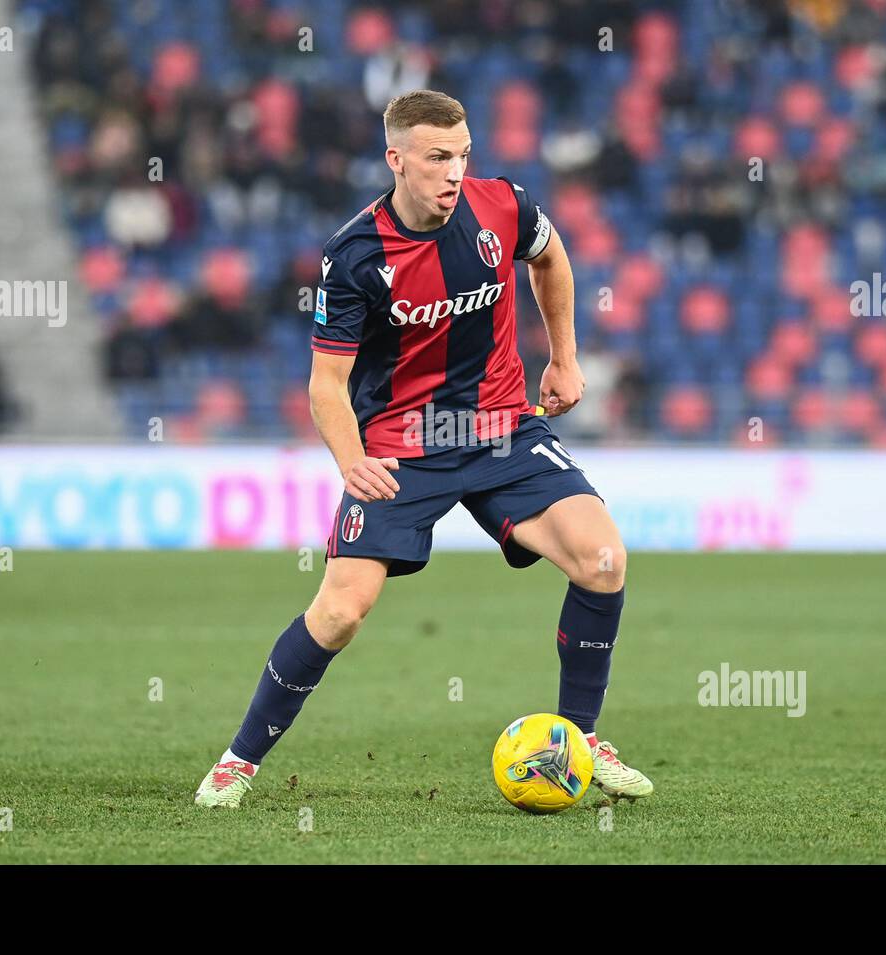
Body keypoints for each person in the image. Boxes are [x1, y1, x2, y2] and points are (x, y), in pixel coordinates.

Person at [195, 89, 652, 807]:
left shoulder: (503, 206)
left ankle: (578, 741)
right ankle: (238, 761)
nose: (454, 173)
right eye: (439, 158)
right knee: (342, 611)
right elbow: (327, 384)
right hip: (402, 445)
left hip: (500, 425)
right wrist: (352, 460)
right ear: (396, 159)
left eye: (463, 156)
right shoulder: (354, 256)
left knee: (603, 559)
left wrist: (563, 356)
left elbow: (552, 255)